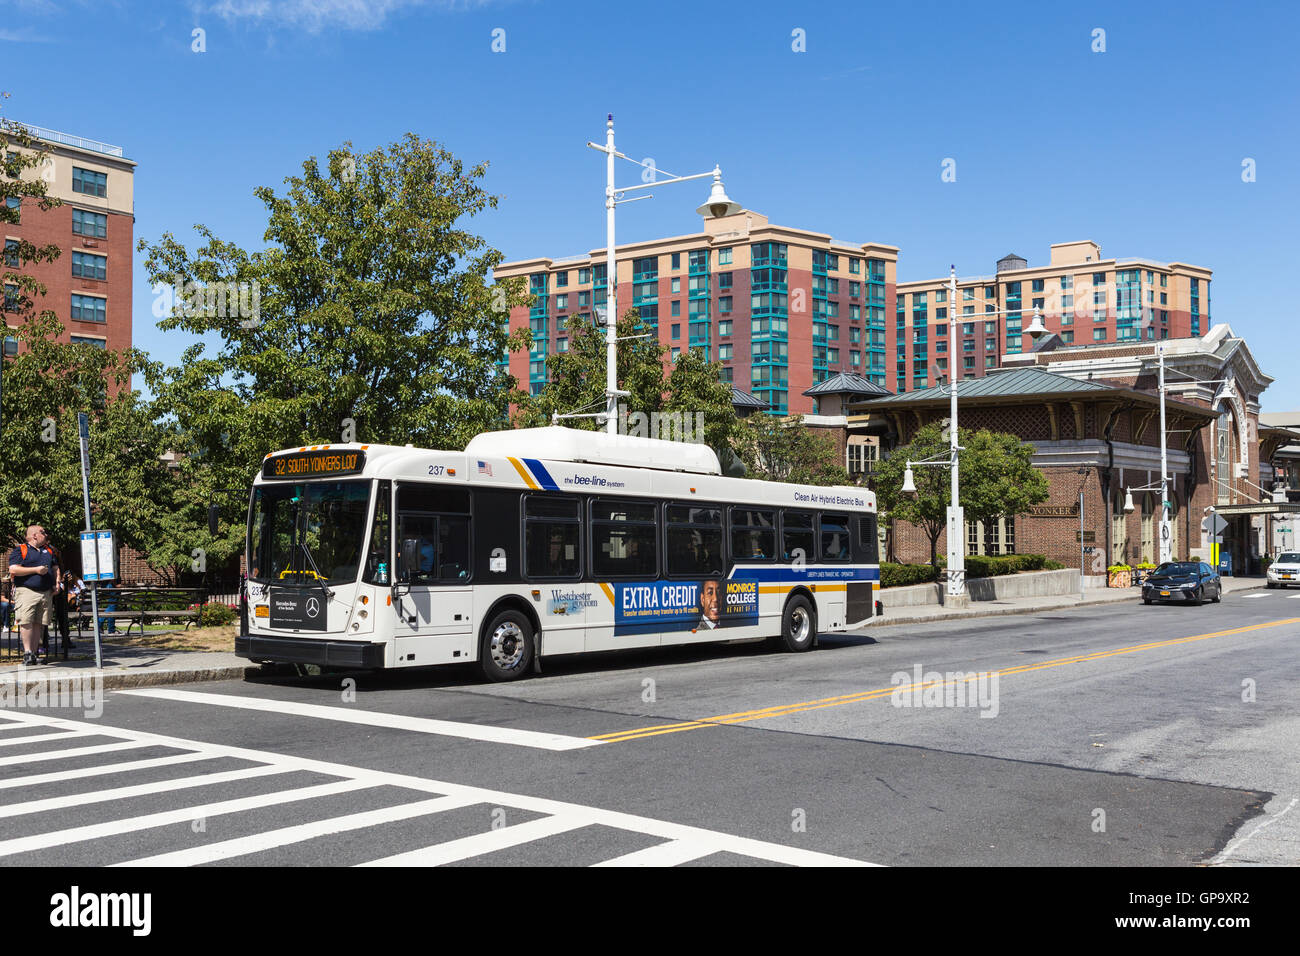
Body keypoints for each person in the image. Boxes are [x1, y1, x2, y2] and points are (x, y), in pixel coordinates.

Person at [7, 525, 62, 667]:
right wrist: (36, 570)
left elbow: (55, 568)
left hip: (45, 592)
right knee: (26, 621)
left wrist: (57, 582)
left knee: (39, 622)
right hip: (27, 590)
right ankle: (27, 652)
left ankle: (34, 652)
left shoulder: (49, 550)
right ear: (34, 535)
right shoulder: (21, 550)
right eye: (43, 532)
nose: (46, 534)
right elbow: (13, 569)